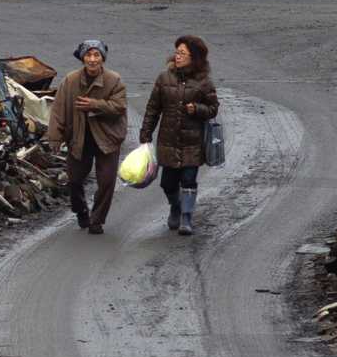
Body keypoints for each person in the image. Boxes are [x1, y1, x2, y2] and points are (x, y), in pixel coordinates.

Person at [140, 34, 219, 236]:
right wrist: (145, 133)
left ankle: (186, 216)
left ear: (195, 57)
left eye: (183, 53)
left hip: (192, 142)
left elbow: (213, 108)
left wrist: (197, 109)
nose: (178, 56)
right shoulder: (164, 78)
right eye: (177, 52)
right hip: (168, 141)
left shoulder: (204, 83)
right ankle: (175, 205)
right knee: (168, 183)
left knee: (189, 179)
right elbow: (153, 108)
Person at [50, 37, 129, 233]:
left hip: (107, 138)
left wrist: (95, 105)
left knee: (107, 181)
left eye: (96, 55)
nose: (92, 59)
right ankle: (81, 210)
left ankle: (97, 220)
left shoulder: (114, 80)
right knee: (74, 180)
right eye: (88, 55)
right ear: (82, 58)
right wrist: (55, 137)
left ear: (102, 58)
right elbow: (58, 110)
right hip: (79, 137)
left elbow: (119, 107)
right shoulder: (70, 81)